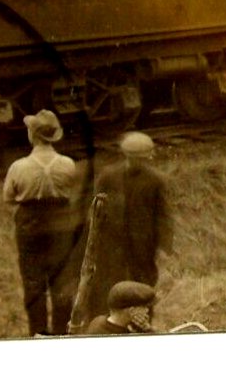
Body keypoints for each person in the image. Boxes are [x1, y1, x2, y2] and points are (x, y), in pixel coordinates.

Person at [81, 132, 174, 325]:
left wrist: (164, 248)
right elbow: (94, 210)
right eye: (135, 158)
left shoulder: (156, 180)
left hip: (143, 247)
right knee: (108, 288)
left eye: (143, 158)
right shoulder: (108, 176)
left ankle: (142, 326)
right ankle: (107, 327)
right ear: (126, 156)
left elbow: (164, 216)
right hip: (111, 246)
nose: (139, 162)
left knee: (143, 289)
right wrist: (93, 240)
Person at [2, 109, 80, 337]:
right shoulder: (68, 164)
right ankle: (63, 332)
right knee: (62, 281)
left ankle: (38, 334)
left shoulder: (19, 167)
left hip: (30, 223)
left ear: (32, 135)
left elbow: (8, 197)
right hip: (61, 223)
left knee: (33, 282)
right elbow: (74, 192)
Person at [83, 281, 155, 335]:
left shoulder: (98, 321)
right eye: (144, 307)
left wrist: (145, 328)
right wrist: (149, 331)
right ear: (132, 311)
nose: (147, 310)